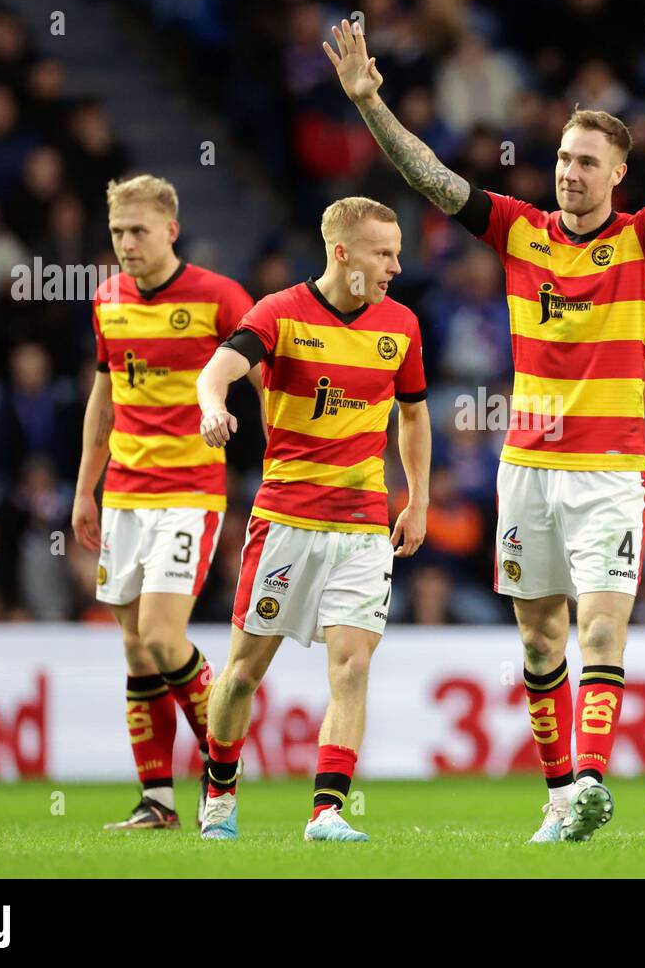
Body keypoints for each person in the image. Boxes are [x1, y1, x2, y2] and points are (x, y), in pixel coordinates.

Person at [325, 19, 645, 842]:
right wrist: (371, 102)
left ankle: (590, 775)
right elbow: (434, 178)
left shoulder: (643, 241)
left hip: (612, 473)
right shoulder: (520, 229)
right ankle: (560, 801)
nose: (569, 173)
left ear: (618, 174)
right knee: (540, 636)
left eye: (586, 162)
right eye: (561, 159)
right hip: (525, 469)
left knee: (599, 627)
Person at [195, 197, 430, 842]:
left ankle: (327, 811)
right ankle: (217, 791)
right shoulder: (280, 314)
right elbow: (217, 369)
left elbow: (413, 412)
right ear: (342, 253)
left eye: (398, 251)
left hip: (362, 524)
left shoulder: (402, 325)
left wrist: (418, 496)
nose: (396, 265)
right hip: (285, 520)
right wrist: (213, 407)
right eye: (384, 253)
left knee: (353, 665)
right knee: (243, 672)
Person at [71, 174, 258, 830]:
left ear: (170, 231)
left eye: (139, 231)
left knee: (159, 634)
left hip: (190, 489)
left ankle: (221, 756)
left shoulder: (218, 296)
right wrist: (85, 488)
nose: (126, 244)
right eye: (118, 232)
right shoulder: (107, 298)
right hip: (124, 489)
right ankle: (159, 800)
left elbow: (267, 371)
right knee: (134, 647)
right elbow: (105, 398)